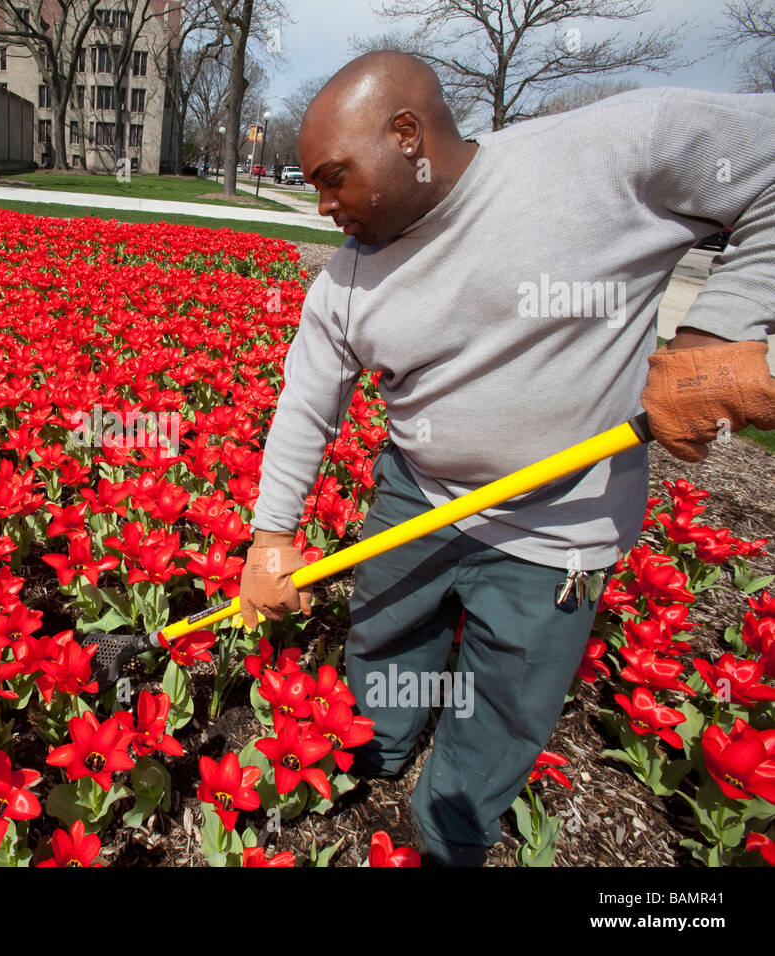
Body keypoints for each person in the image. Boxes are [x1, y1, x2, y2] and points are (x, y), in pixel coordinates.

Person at [237, 50, 775, 866]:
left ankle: (451, 834)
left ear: (408, 134)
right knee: (385, 645)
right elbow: (307, 404)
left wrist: (713, 338)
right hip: (416, 500)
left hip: (560, 529)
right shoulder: (345, 282)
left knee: (504, 704)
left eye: (335, 177)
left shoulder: (614, 153)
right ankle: (367, 757)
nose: (322, 206)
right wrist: (272, 535)